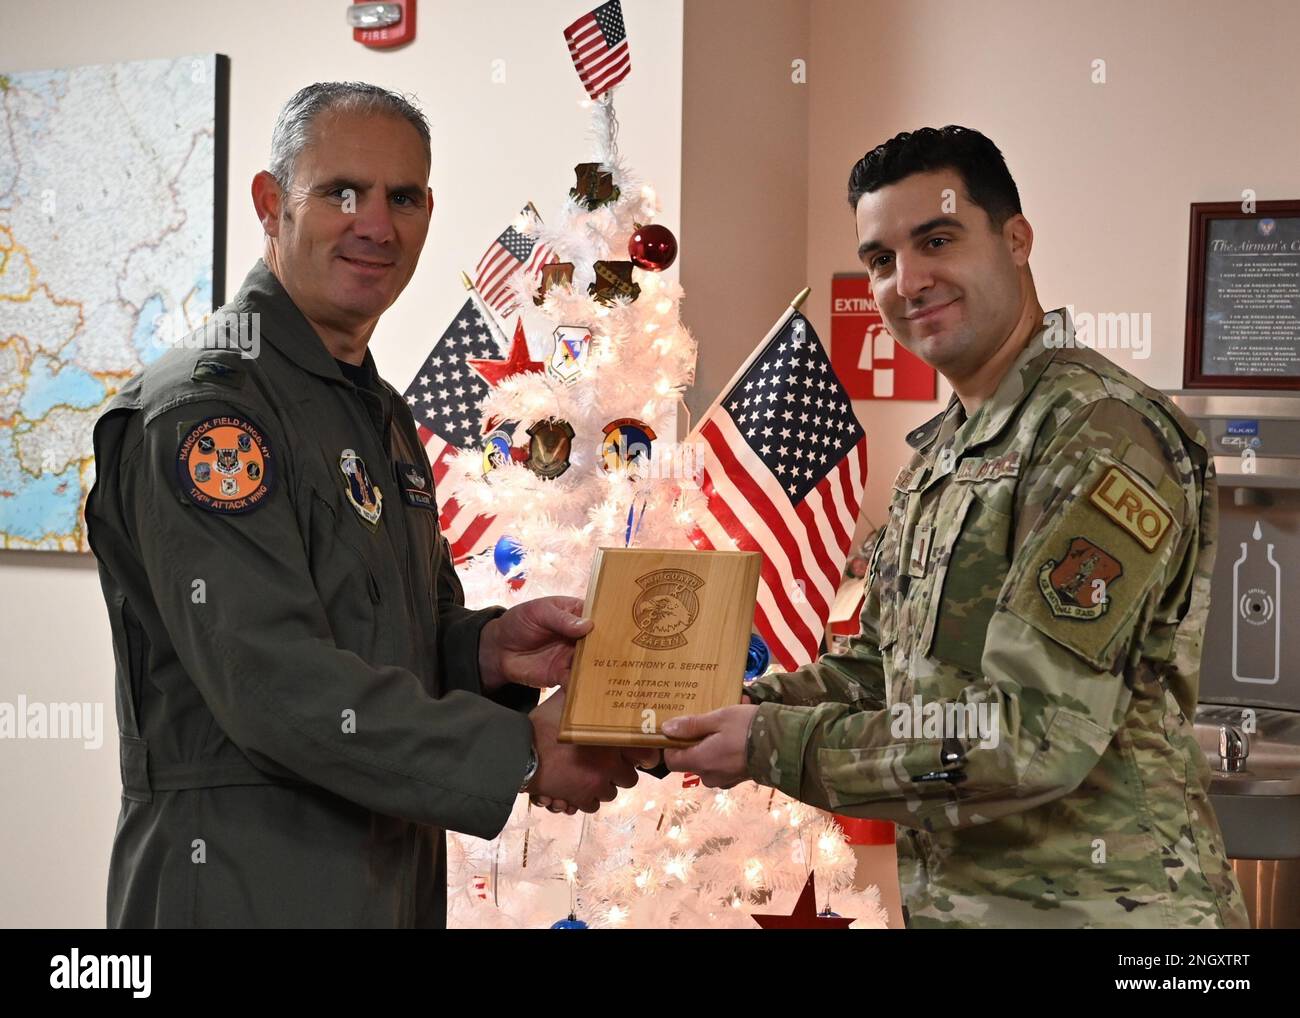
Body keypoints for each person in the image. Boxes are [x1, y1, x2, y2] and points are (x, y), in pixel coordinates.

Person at [85, 81, 647, 928]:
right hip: (244, 883)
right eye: (342, 192)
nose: (376, 225)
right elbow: (273, 684)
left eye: (404, 197)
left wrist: (488, 650)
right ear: (271, 204)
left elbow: (387, 638)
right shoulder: (210, 413)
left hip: (386, 879)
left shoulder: (373, 408)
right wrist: (522, 752)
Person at [662, 126, 1250, 929]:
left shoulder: (1099, 432)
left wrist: (769, 742)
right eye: (880, 259)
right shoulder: (945, 452)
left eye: (936, 240)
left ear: (1016, 240)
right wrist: (716, 707)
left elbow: (1033, 735)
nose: (908, 281)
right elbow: (877, 668)